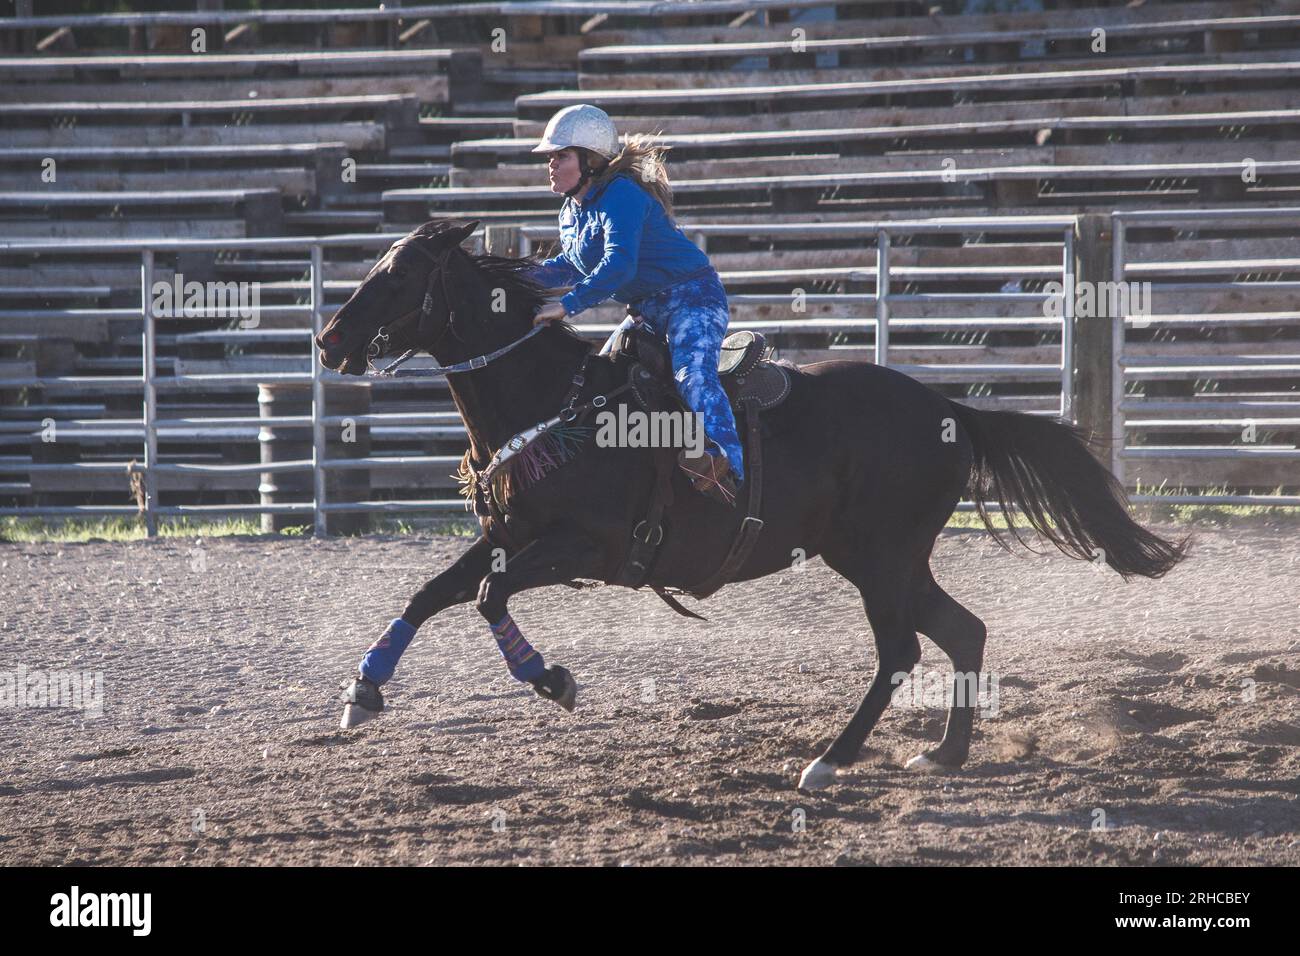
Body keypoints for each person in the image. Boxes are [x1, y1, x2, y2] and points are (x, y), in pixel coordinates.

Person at [525, 104, 744, 505]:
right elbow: (570, 266)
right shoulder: (569, 213)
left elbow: (619, 264)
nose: (551, 165)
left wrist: (568, 305)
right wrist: (512, 280)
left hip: (692, 299)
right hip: (646, 311)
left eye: (561, 156)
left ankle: (729, 463)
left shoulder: (622, 195)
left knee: (692, 376)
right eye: (550, 157)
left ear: (589, 161)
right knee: (599, 381)